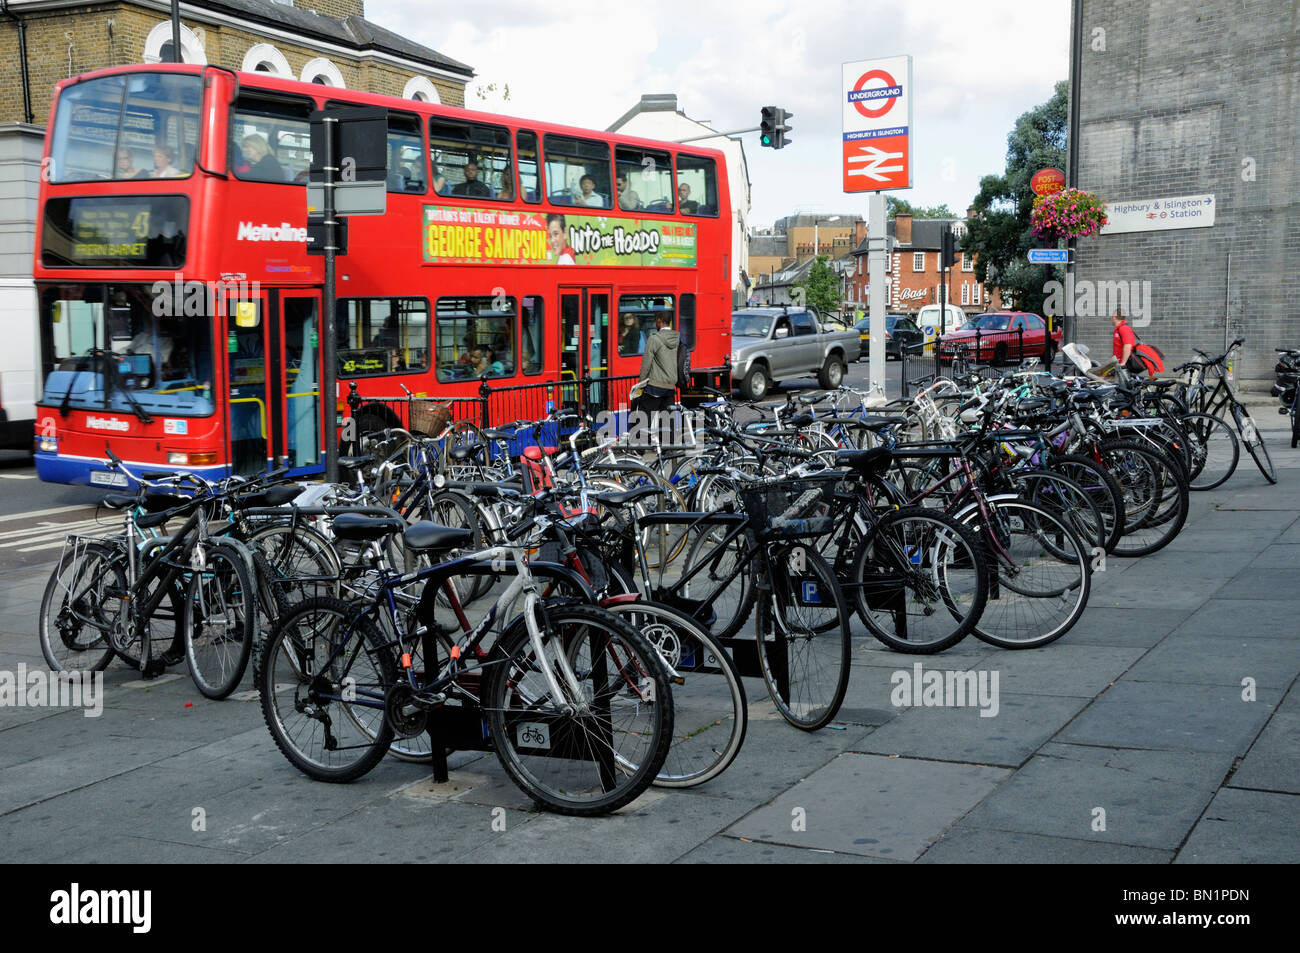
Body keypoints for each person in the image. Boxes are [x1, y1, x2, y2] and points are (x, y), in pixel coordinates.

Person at [636, 311, 680, 418]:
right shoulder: (676, 338)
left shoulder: (654, 338)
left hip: (654, 387)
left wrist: (640, 386)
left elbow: (646, 364)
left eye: (656, 321)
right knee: (667, 423)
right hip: (670, 387)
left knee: (643, 421)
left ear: (659, 321)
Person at [1112, 306, 1139, 373]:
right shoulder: (1119, 328)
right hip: (1118, 362)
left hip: (1124, 364)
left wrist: (1123, 363)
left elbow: (1128, 346)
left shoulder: (1124, 328)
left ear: (1114, 317)